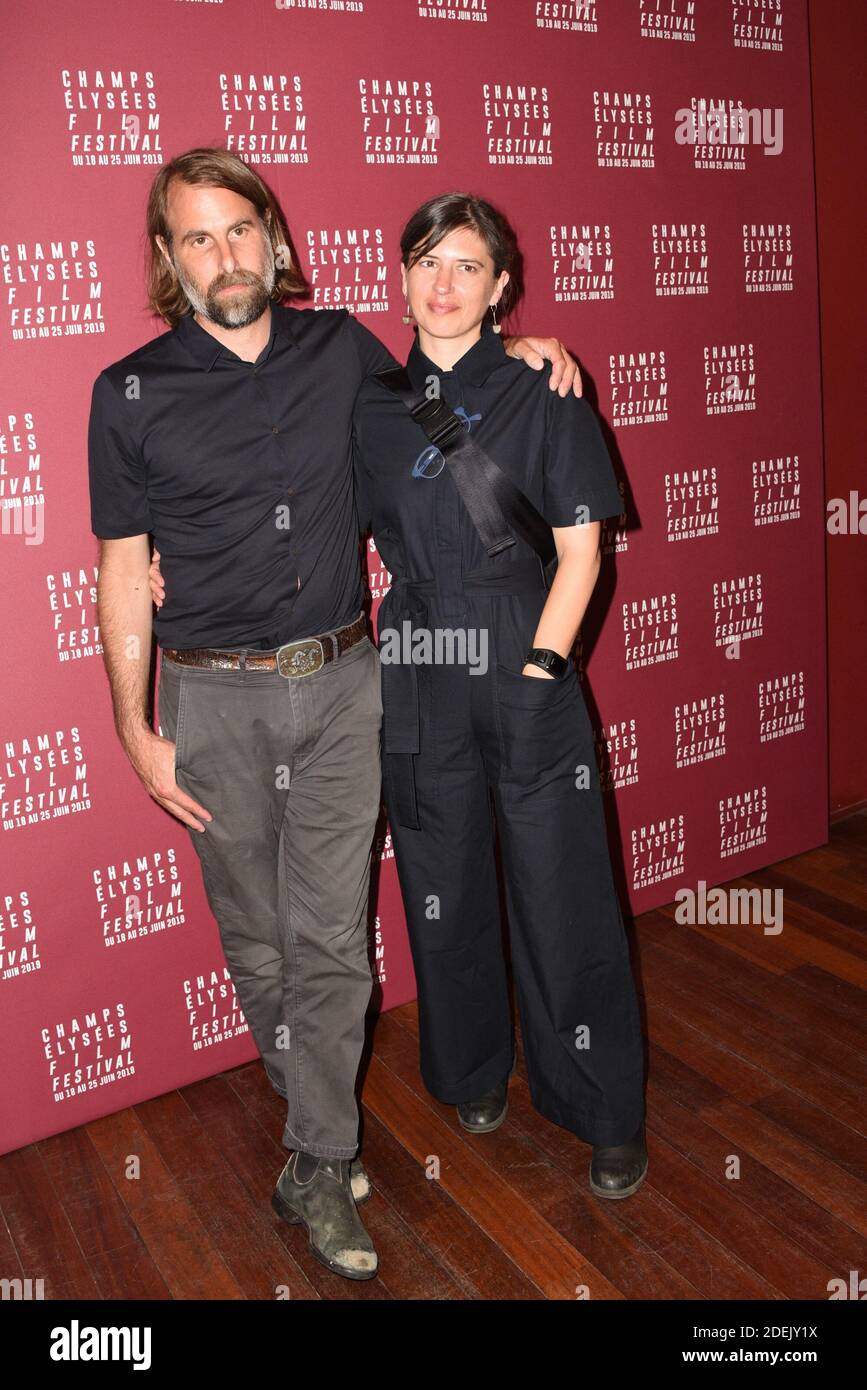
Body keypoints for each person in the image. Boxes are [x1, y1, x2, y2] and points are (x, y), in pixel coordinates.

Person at [88, 145, 584, 1283]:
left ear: (275, 237)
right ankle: (313, 1099)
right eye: (197, 236)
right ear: (168, 256)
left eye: (241, 228)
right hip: (208, 695)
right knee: (257, 942)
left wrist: (532, 353)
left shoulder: (343, 348)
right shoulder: (127, 394)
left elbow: (452, 390)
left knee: (331, 941)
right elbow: (120, 571)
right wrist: (132, 724)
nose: (225, 253)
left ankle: (317, 1158)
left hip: (345, 683)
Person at [351, 193, 648, 1198]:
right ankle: (471, 1069)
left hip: (530, 658)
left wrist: (542, 672)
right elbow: (304, 523)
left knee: (565, 894)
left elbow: (581, 551)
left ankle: (602, 1105)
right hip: (421, 670)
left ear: (501, 288)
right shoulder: (369, 406)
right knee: (444, 886)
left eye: (468, 266)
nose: (444, 283)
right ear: (399, 276)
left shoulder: (546, 390)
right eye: (427, 261)